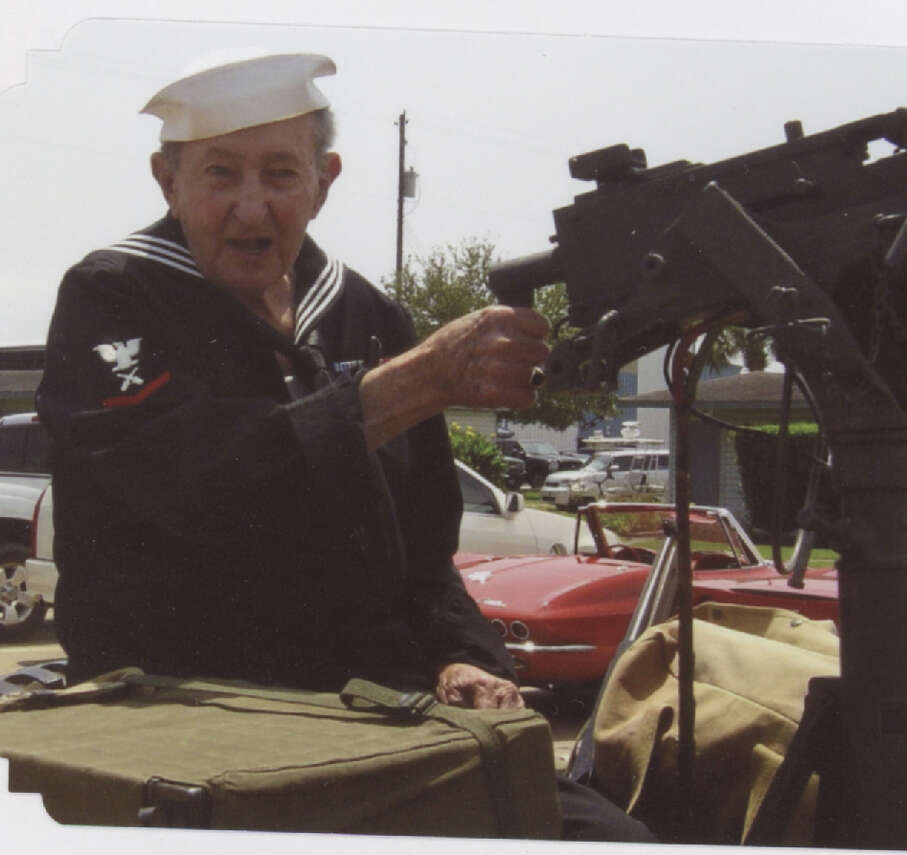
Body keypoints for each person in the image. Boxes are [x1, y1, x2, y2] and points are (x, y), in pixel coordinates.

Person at [35, 52, 652, 842]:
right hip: (185, 721)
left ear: (324, 181)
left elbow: (425, 554)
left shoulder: (367, 316)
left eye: (280, 175)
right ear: (168, 181)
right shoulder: (110, 297)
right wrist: (414, 382)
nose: (250, 207)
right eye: (220, 174)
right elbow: (185, 481)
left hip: (382, 716)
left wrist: (466, 658)